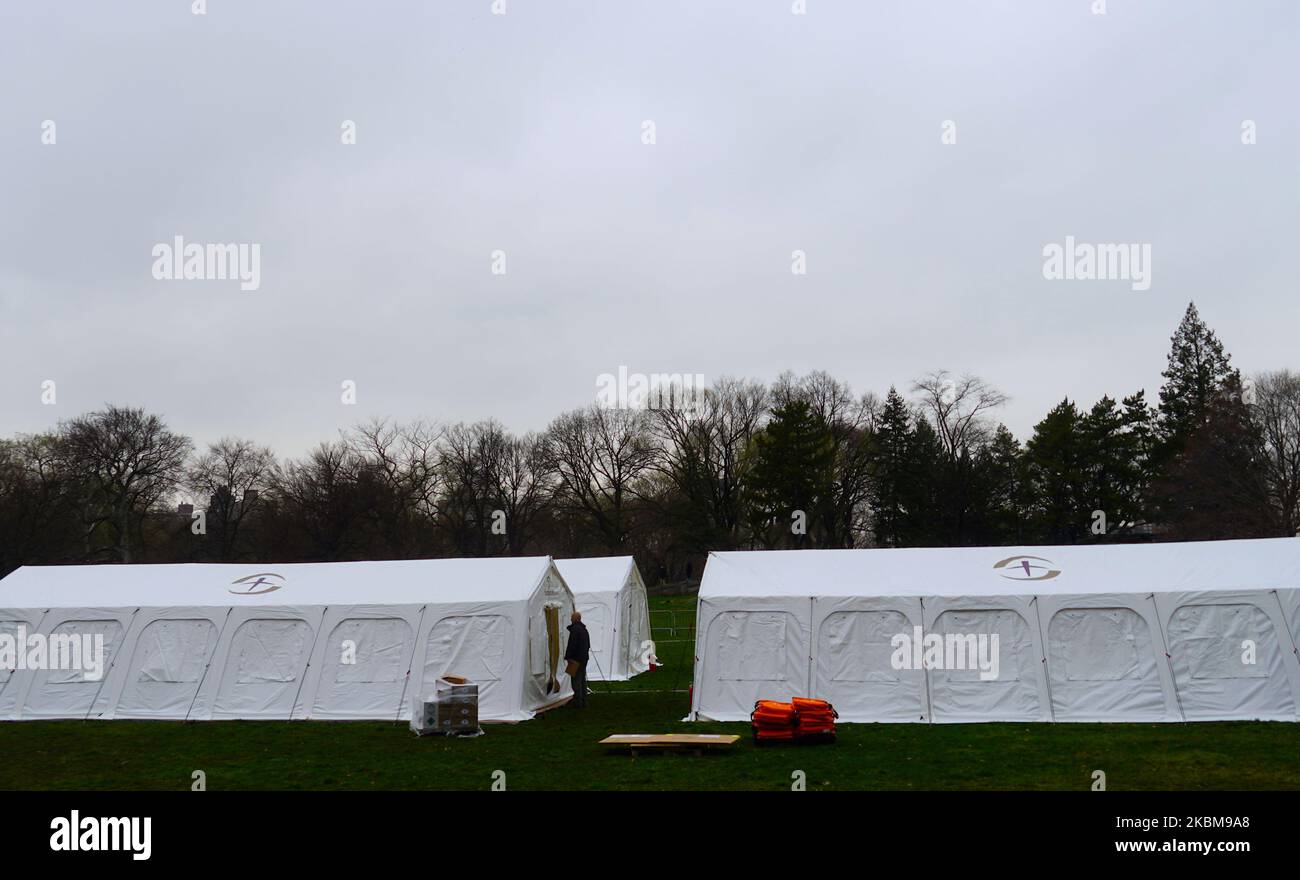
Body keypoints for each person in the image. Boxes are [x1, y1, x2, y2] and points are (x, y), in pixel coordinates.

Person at [564, 610, 591, 708]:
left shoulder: (575, 630)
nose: (570, 619)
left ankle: (577, 701)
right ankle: (584, 700)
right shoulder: (584, 630)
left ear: (576, 619)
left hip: (576, 659)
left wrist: (568, 657)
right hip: (584, 658)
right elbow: (588, 645)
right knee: (582, 680)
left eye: (572, 618)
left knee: (576, 680)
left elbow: (572, 645)